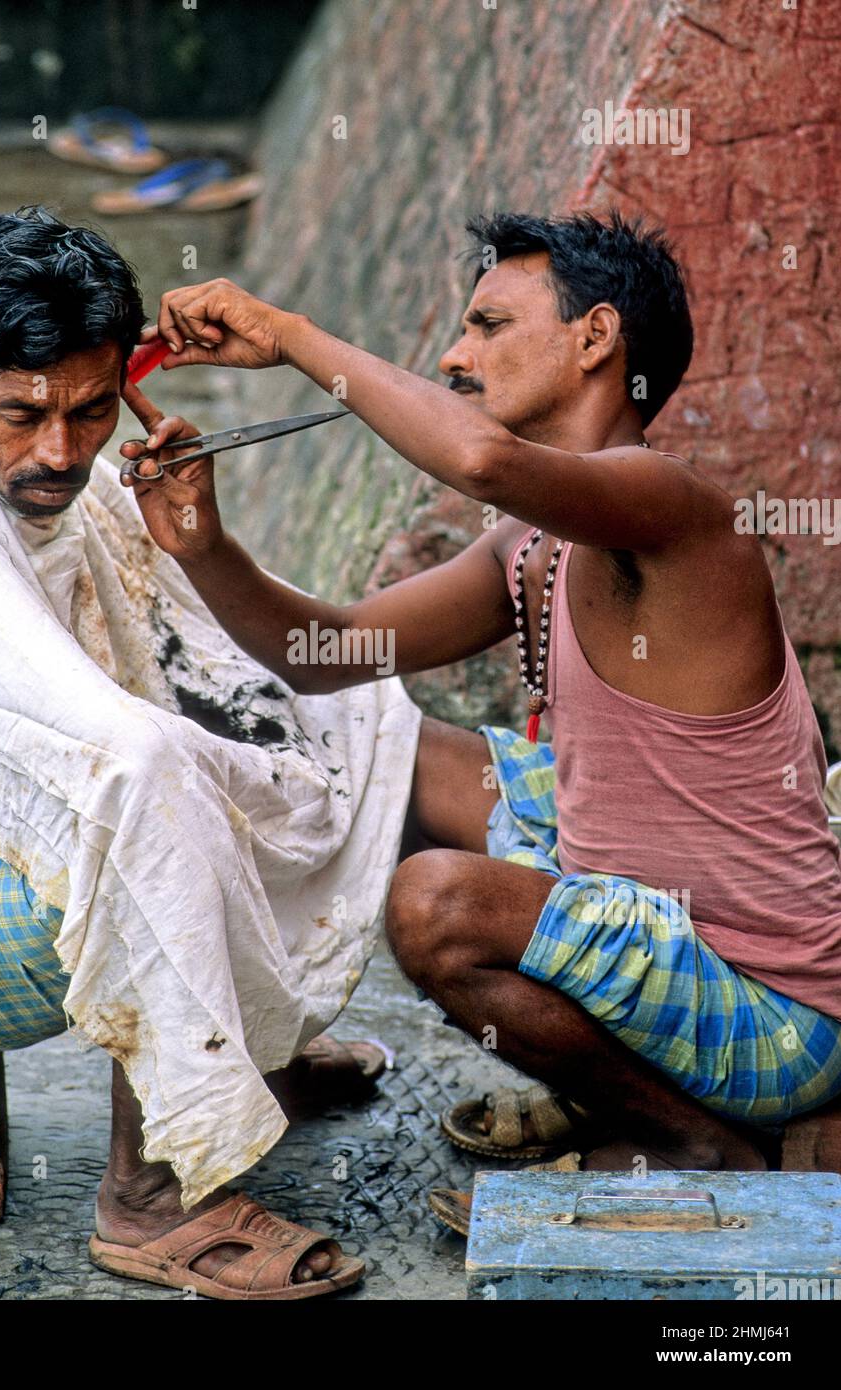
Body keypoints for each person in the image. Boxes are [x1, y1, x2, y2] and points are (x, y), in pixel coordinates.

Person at [120, 209, 841, 1181]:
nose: (457, 357)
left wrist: (287, 334)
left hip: (775, 1013)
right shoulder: (529, 544)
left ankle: (690, 1139)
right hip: (643, 915)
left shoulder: (672, 504)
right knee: (377, 745)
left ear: (595, 339)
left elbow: (480, 460)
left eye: (488, 326)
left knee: (437, 906)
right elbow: (321, 651)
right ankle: (609, 1092)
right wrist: (201, 541)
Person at [0, 207, 424, 1300]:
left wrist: (193, 542)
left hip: (28, 877)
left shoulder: (74, 479)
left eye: (93, 409)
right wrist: (237, 781)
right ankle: (152, 1198)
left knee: (335, 721)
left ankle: (249, 1039)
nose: (61, 451)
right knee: (165, 788)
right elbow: (120, 754)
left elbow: (212, 670)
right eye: (22, 414)